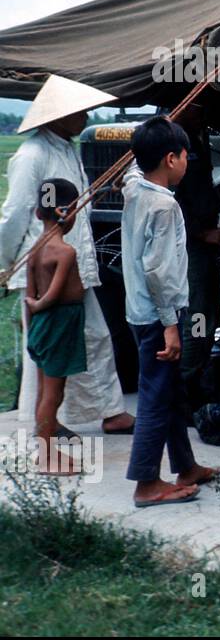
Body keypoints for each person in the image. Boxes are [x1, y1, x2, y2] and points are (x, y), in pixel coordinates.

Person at [0, 74, 132, 435]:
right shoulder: (33, 155)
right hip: (43, 268)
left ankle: (107, 411)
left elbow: (75, 208)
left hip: (73, 264)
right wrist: (7, 264)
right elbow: (15, 214)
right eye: (80, 112)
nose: (86, 118)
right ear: (59, 116)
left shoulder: (67, 150)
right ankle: (45, 422)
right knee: (44, 351)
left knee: (95, 338)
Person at [121, 117, 220, 508]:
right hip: (156, 317)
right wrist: (170, 328)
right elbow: (160, 273)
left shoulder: (134, 187)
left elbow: (133, 166)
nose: (187, 162)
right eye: (184, 155)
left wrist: (164, 125)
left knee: (172, 392)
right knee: (154, 398)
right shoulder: (163, 206)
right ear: (170, 158)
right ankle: (146, 483)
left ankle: (186, 465)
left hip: (138, 312)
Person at [171, 101, 220, 412]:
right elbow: (172, 203)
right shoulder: (173, 143)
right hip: (193, 245)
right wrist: (202, 234)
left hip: (205, 241)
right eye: (195, 106)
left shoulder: (195, 137)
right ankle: (185, 392)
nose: (201, 112)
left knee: (210, 316)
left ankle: (199, 385)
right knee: (197, 317)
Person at [24, 177, 87, 475]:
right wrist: (39, 306)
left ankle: (45, 448)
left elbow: (29, 293)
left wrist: (32, 324)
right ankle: (47, 456)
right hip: (59, 323)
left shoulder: (34, 250)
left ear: (38, 213)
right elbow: (50, 295)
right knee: (54, 393)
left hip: (41, 328)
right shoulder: (65, 252)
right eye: (74, 209)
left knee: (44, 390)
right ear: (65, 213)